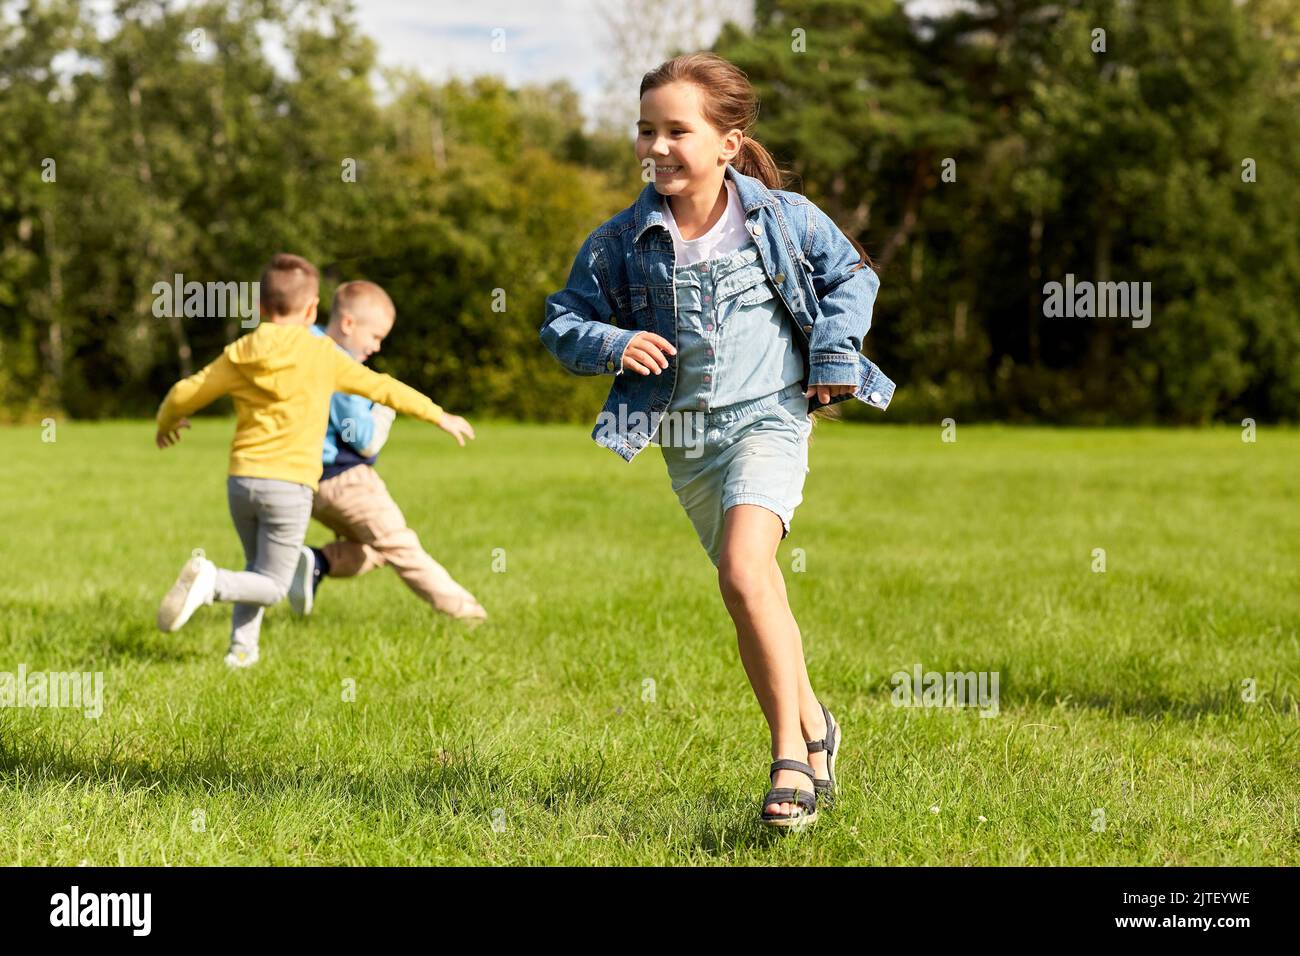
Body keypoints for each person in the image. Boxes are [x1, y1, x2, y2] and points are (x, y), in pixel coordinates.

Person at [539, 53, 896, 828]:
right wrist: (611, 342)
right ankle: (817, 723)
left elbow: (853, 276)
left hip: (768, 418)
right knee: (751, 592)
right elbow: (560, 323)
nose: (656, 146)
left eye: (677, 130)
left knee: (742, 570)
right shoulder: (618, 241)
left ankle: (790, 760)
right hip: (688, 442)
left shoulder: (782, 216)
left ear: (729, 141)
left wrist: (835, 356)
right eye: (646, 130)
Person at [153, 254, 475, 667]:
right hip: (288, 487)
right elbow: (383, 388)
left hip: (241, 483)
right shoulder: (321, 353)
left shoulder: (240, 352)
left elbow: (183, 392)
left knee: (256, 568)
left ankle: (241, 652)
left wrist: (168, 423)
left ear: (259, 307)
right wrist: (438, 414)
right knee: (273, 583)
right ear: (311, 310)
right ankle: (211, 581)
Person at [287, 280, 486, 623]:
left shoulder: (306, 344)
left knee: (373, 550)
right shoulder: (338, 363)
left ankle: (318, 563)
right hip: (347, 482)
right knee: (401, 546)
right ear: (348, 324)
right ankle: (470, 615)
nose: (377, 347)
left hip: (305, 482)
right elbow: (365, 440)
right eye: (375, 337)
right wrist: (385, 407)